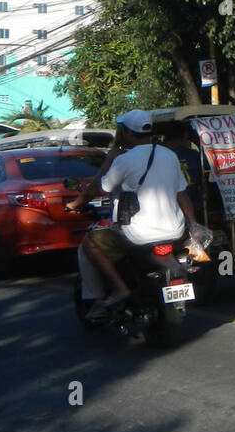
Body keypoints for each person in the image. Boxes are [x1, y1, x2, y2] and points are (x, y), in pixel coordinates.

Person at [66, 109, 198, 315]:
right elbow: (183, 195)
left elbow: (102, 188)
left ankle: (119, 287)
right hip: (175, 231)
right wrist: (193, 224)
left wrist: (108, 161)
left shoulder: (123, 160)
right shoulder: (169, 155)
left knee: (90, 243)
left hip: (138, 235)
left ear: (127, 133)